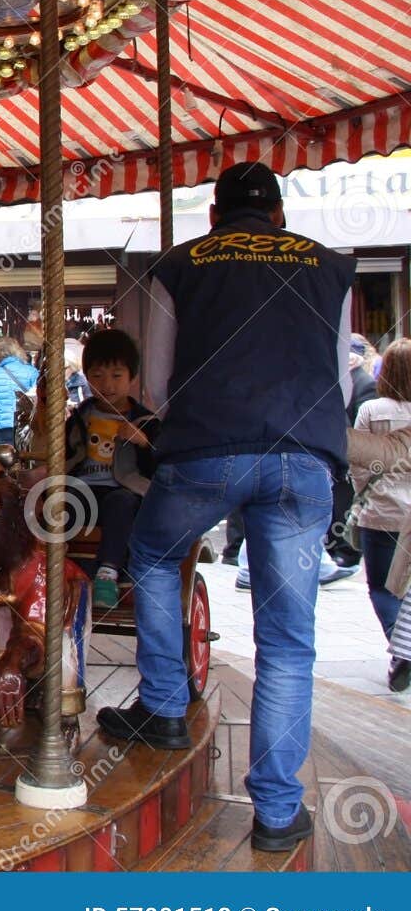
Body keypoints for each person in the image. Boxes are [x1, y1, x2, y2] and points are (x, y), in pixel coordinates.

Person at [107, 161, 353, 854]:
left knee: (154, 553)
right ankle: (275, 812)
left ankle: (163, 704)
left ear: (214, 216)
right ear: (279, 215)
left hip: (205, 454)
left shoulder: (181, 264)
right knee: (287, 641)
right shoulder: (329, 267)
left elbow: (157, 386)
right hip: (301, 456)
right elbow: (338, 383)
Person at [64, 329, 157, 608]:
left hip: (123, 491)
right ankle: (54, 566)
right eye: (97, 375)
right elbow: (65, 455)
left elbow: (158, 466)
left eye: (116, 376)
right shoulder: (80, 417)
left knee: (122, 503)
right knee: (57, 501)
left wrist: (144, 443)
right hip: (84, 490)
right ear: (86, 377)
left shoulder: (146, 422)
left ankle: (108, 573)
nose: (107, 385)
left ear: (132, 377)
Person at [350, 338, 411, 656]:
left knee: (383, 589)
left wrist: (366, 494)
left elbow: (358, 464)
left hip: (381, 513)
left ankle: (402, 651)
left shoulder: (371, 410)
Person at [327, 334, 380, 566]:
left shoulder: (365, 383)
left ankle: (346, 553)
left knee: (345, 506)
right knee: (337, 506)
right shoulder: (340, 379)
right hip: (338, 454)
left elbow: (363, 424)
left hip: (350, 456)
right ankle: (338, 550)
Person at [0, 337, 36, 444]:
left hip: (3, 426)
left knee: (4, 454)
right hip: (26, 424)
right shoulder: (31, 371)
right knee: (27, 453)